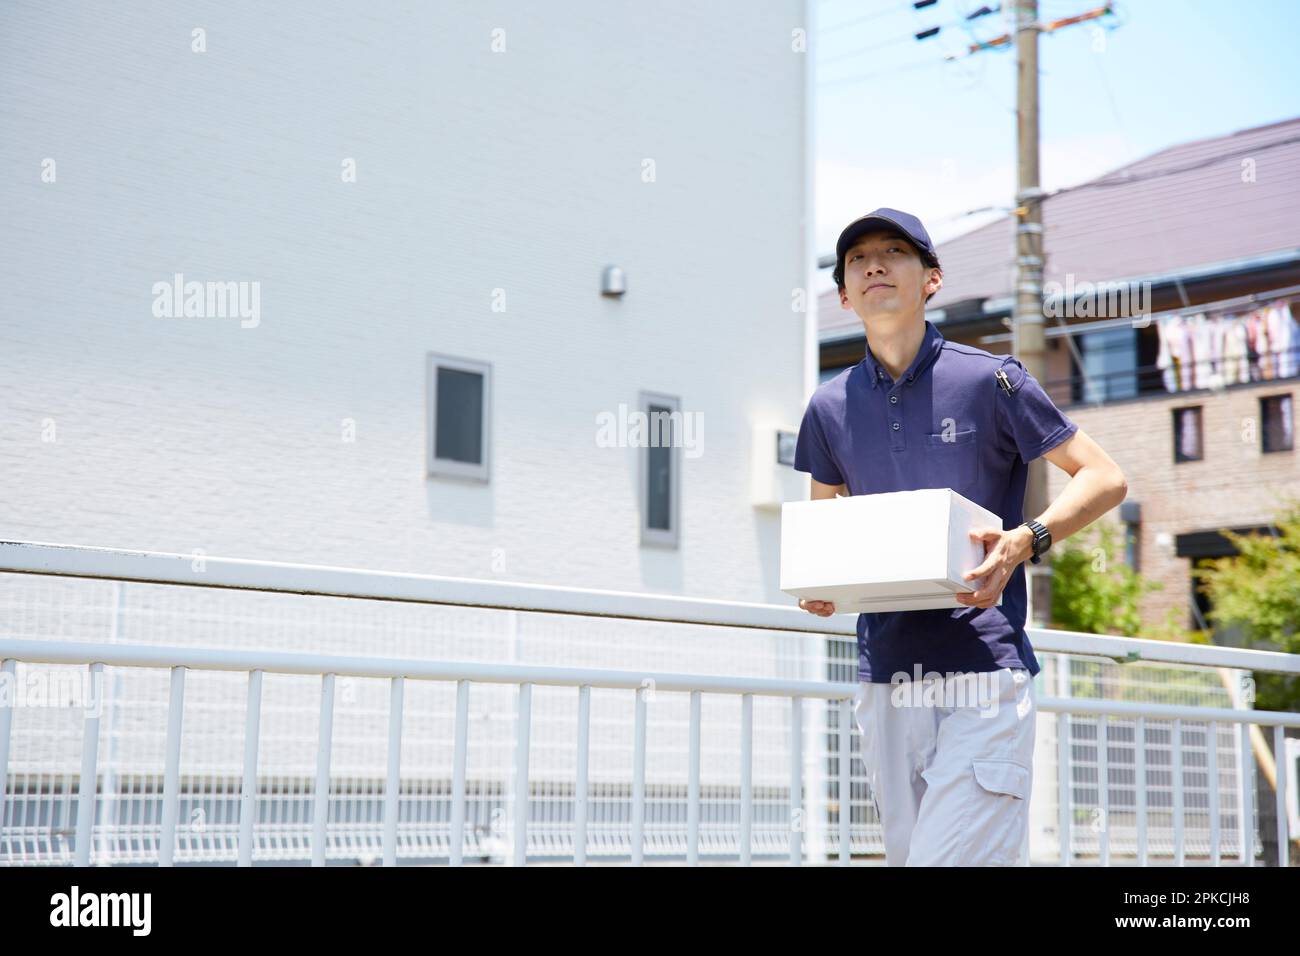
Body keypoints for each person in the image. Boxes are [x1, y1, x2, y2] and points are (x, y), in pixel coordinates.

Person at [794, 208, 1128, 866]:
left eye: (894, 252)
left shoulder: (993, 378)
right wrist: (820, 586)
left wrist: (1024, 539)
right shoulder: (827, 407)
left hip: (985, 673)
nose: (874, 265)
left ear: (931, 281)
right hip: (885, 676)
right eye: (858, 260)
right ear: (843, 294)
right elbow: (825, 531)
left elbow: (1106, 477)